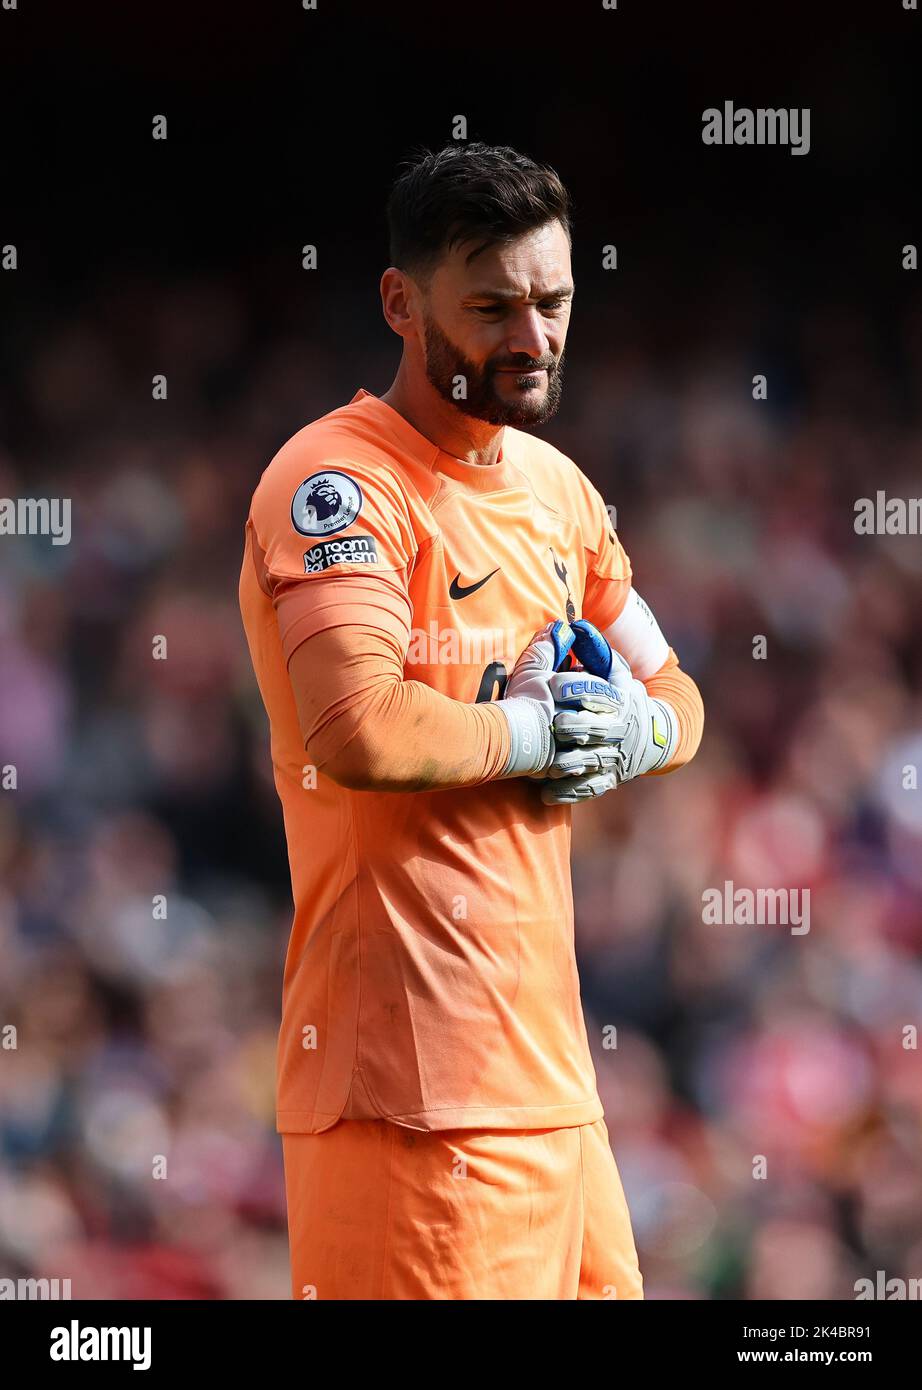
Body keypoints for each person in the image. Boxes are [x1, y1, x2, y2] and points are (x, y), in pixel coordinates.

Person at [238, 142, 704, 1299]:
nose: (532, 337)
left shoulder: (557, 493)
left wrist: (630, 735)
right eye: (492, 306)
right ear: (400, 303)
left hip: (554, 1094)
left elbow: (681, 695)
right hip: (407, 1101)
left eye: (551, 302)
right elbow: (361, 728)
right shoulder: (334, 482)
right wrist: (543, 738)